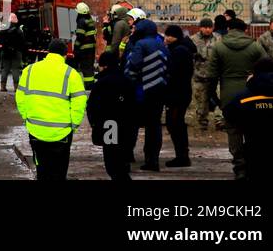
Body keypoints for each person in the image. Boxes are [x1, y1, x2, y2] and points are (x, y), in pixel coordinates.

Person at [15, 38, 88, 181]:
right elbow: (79, 101)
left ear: (48, 52)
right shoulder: (71, 74)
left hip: (36, 129)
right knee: (59, 171)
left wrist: (27, 117)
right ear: (65, 55)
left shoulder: (29, 70)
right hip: (62, 132)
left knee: (42, 169)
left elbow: (20, 97)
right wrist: (74, 124)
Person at [206, 16, 265, 178]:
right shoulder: (254, 46)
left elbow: (211, 75)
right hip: (252, 94)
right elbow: (267, 67)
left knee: (233, 130)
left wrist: (213, 96)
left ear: (228, 29)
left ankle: (239, 165)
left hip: (228, 94)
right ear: (245, 29)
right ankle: (253, 164)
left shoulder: (219, 47)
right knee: (253, 130)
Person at [123, 17, 170, 171]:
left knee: (132, 123)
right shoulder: (163, 45)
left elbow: (133, 67)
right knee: (154, 126)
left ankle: (128, 154)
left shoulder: (140, 44)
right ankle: (152, 159)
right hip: (160, 91)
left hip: (141, 92)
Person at [86, 50, 138, 181]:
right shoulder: (127, 81)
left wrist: (95, 125)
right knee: (122, 163)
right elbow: (135, 105)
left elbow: (92, 108)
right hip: (128, 127)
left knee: (112, 164)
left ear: (105, 66)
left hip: (110, 128)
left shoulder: (102, 84)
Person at [162, 24, 195, 168]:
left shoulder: (179, 51)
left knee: (175, 124)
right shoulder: (181, 48)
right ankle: (182, 155)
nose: (165, 38)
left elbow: (173, 73)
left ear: (173, 36)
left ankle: (182, 157)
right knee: (176, 124)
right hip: (181, 93)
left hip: (177, 95)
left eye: (168, 35)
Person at [189, 17, 217, 130]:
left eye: (209, 27)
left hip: (214, 74)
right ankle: (202, 121)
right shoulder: (193, 40)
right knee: (201, 99)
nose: (207, 30)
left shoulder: (217, 39)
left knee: (219, 98)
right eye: (205, 27)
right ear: (200, 28)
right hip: (199, 74)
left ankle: (220, 120)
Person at [0, 12, 27, 92]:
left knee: (5, 69)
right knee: (15, 70)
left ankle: (3, 87)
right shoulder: (19, 32)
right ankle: (16, 88)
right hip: (16, 53)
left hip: (5, 52)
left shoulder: (3, 30)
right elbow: (23, 43)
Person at [73, 1, 97, 87]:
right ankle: (90, 84)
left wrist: (76, 47)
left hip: (84, 48)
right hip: (91, 47)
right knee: (89, 66)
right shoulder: (89, 20)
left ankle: (88, 85)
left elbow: (80, 36)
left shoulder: (81, 21)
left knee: (85, 67)